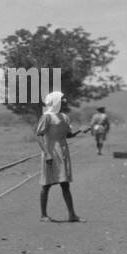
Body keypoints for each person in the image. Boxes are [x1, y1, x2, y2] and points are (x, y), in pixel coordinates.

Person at [36, 90, 82, 222]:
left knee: (65, 183)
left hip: (62, 151)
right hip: (51, 151)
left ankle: (72, 215)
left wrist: (80, 130)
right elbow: (38, 137)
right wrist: (47, 153)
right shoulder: (47, 117)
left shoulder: (64, 117)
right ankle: (43, 215)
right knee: (46, 184)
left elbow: (68, 135)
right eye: (61, 100)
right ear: (55, 101)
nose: (64, 102)